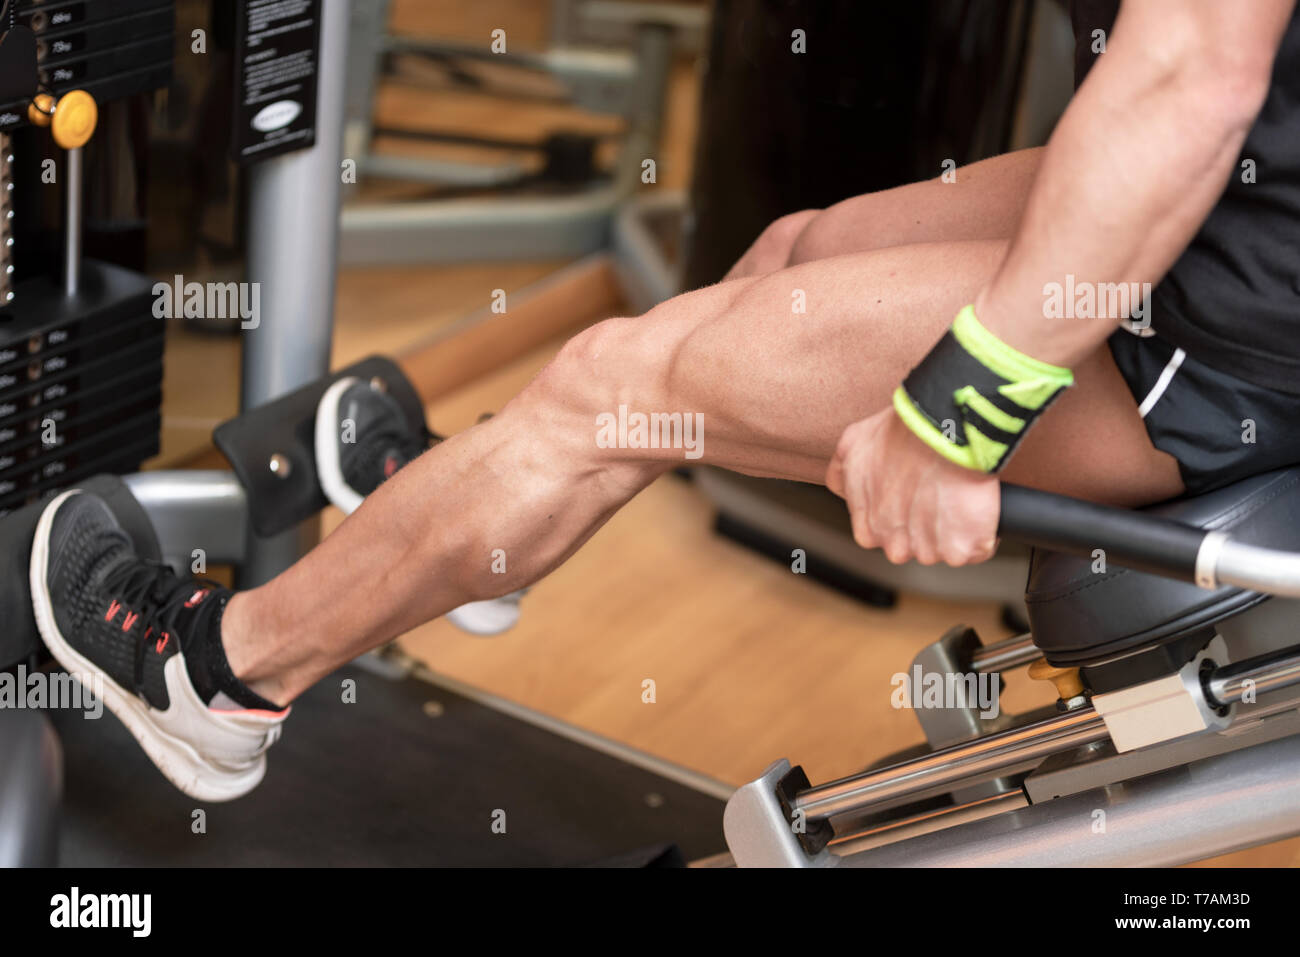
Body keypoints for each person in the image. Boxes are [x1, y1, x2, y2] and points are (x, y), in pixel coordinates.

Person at [27, 0, 1300, 800]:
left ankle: (219, 685)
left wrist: (954, 412)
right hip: (1241, 210)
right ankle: (475, 523)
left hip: (1230, 330)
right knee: (801, 245)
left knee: (608, 387)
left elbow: (1188, 74)